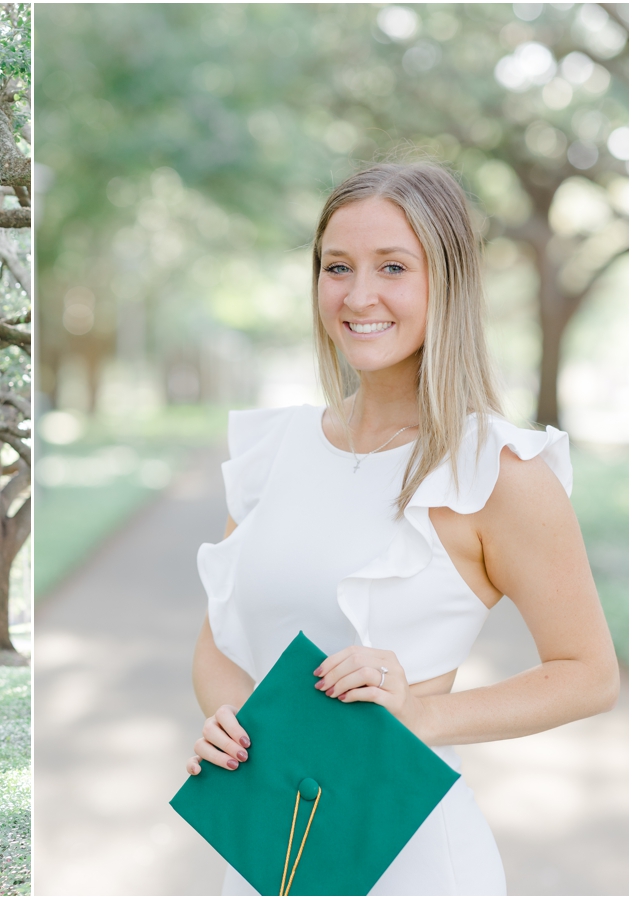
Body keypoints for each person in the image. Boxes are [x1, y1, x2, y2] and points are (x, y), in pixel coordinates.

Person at [187, 162, 620, 895]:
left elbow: (589, 674)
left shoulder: (499, 472)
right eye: (337, 267)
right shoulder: (270, 453)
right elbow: (217, 644)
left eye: (393, 266)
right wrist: (228, 718)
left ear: (446, 281)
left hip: (411, 859)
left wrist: (421, 713)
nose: (359, 295)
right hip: (268, 850)